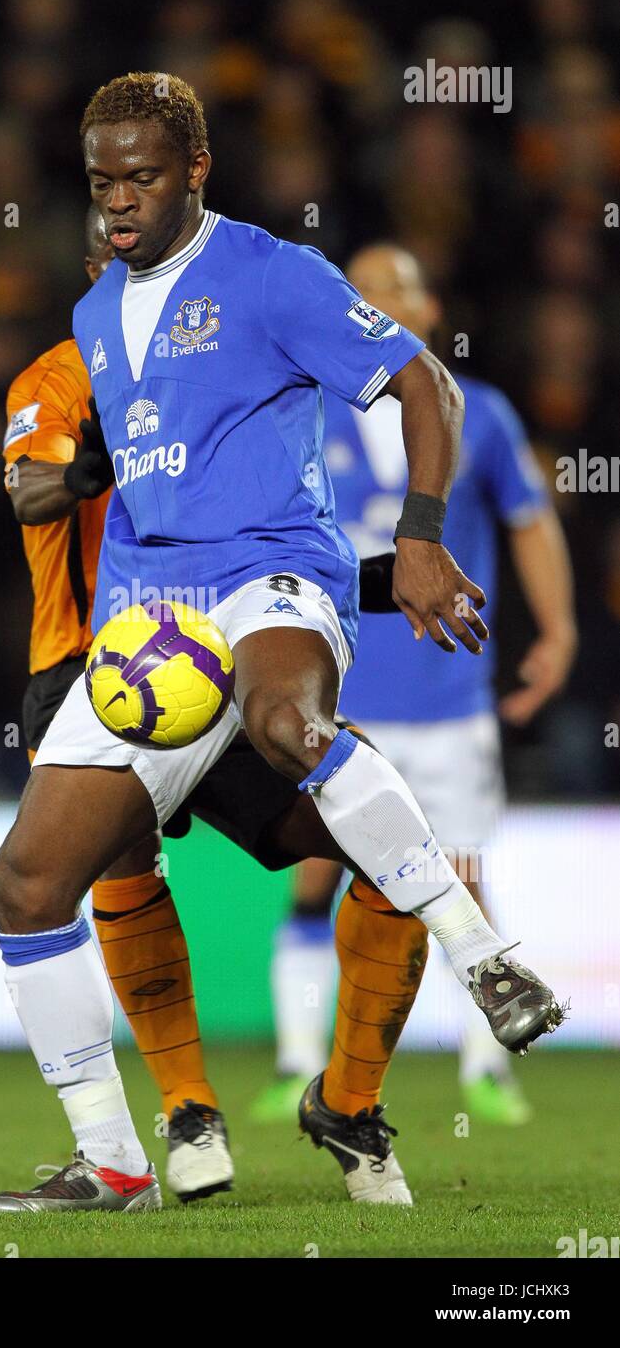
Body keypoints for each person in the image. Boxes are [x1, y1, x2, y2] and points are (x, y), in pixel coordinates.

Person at [0, 72, 563, 1215]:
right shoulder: (96, 318)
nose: (119, 202)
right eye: (103, 182)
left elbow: (420, 379)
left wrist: (424, 538)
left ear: (196, 170)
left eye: (143, 177)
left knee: (288, 720)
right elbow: (133, 487)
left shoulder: (268, 271)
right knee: (26, 881)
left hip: (272, 577)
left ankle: (484, 956)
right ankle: (114, 1159)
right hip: (148, 629)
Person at [1, 207, 439, 1206]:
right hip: (94, 669)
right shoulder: (59, 376)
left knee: (387, 838)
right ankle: (182, 1111)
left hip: (233, 661)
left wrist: (396, 570)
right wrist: (103, 458)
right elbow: (30, 490)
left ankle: (347, 1102)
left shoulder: (237, 381)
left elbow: (268, 547)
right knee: (98, 870)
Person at [250, 244, 576, 1128]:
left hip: (447, 697)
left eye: (395, 292)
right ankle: (294, 1063)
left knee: (459, 872)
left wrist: (556, 630)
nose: (379, 307)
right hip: (338, 691)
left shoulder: (487, 414)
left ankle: (486, 1069)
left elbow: (529, 521)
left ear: (430, 312)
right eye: (360, 296)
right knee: (317, 874)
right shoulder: (299, 412)